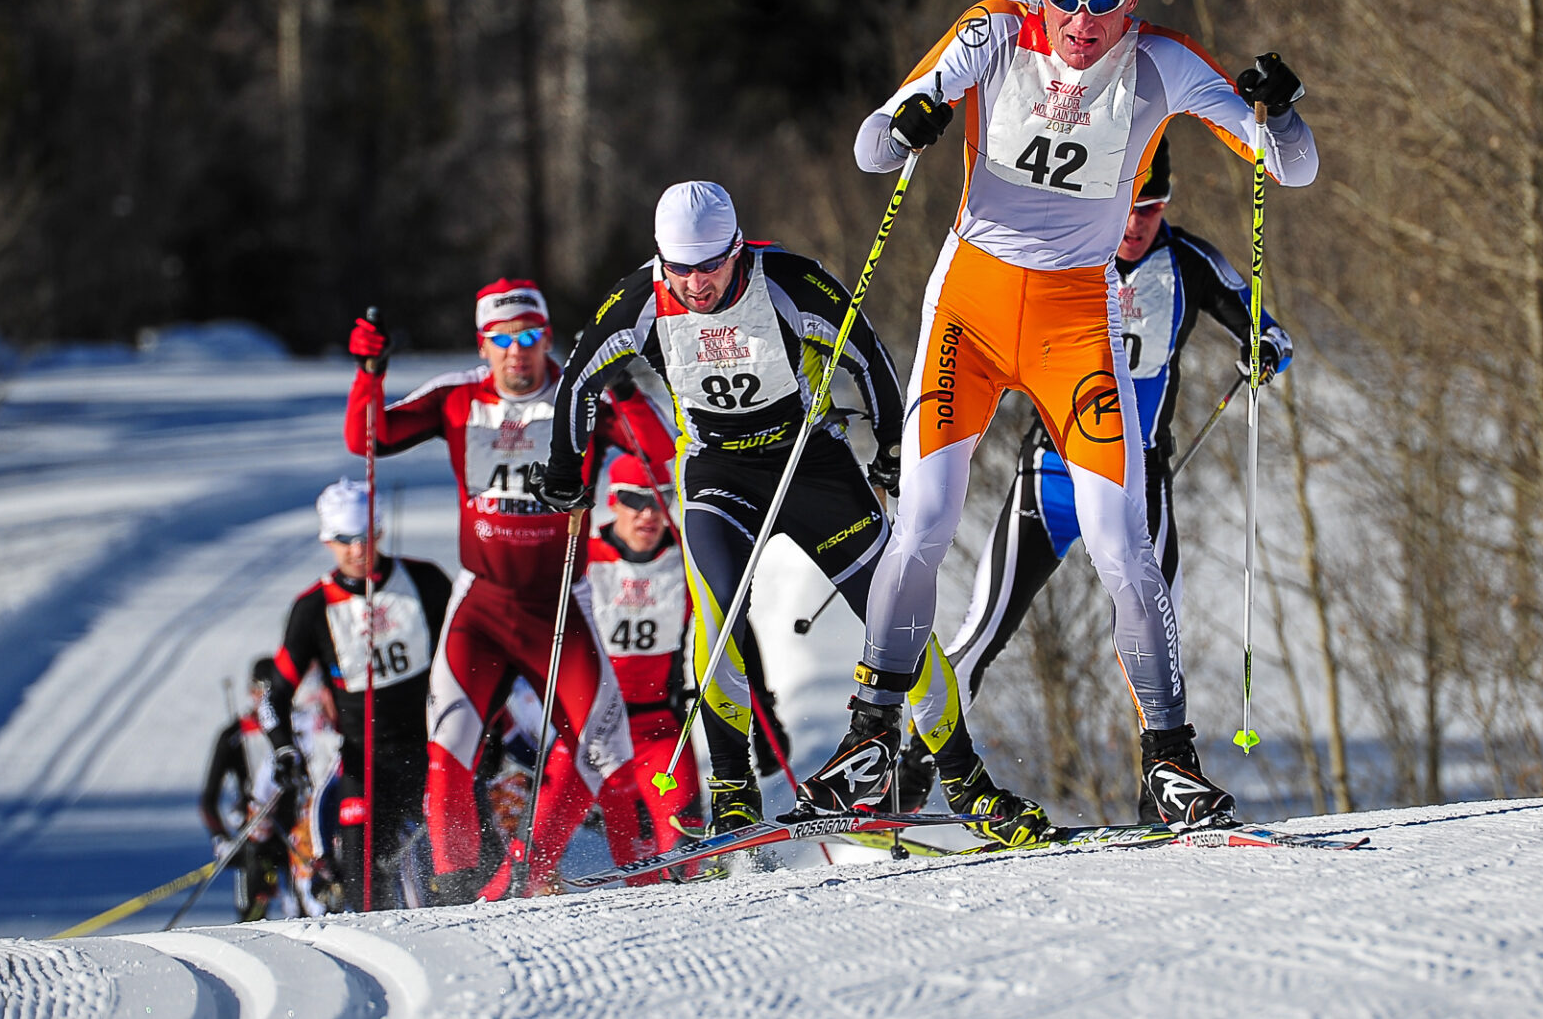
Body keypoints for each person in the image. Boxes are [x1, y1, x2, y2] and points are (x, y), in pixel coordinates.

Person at [822, 0, 1319, 830]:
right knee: (924, 523)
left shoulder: (1163, 61)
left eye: (1105, 6)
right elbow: (869, 147)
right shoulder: (993, 32)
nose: (1082, 27)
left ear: (1135, 2)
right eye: (1064, 2)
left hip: (1073, 322)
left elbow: (1290, 169)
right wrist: (911, 122)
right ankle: (870, 738)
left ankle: (1169, 761)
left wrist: (1280, 113)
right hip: (968, 309)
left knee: (1123, 543)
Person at [533, 181, 1035, 845]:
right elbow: (578, 380)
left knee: (897, 612)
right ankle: (734, 793)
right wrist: (567, 476)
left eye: (710, 265)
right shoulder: (637, 302)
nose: (697, 284)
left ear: (737, 250)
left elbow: (870, 358)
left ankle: (968, 782)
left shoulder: (788, 283)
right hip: (718, 474)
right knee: (718, 616)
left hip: (808, 462)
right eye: (680, 268)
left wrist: (892, 448)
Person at [937, 143, 1293, 820]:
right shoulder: (1063, 253)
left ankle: (1160, 793)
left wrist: (1264, 347)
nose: (1136, 223)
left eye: (1152, 209)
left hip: (1138, 481)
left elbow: (1263, 323)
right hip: (1052, 474)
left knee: (1154, 640)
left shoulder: (1188, 262)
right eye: (1129, 207)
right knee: (981, 633)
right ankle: (910, 768)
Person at [345, 278, 678, 900]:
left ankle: (640, 878)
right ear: (483, 345)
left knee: (608, 747)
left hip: (560, 606)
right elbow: (370, 438)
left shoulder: (577, 394)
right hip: (483, 606)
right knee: (448, 750)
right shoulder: (457, 398)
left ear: (546, 337)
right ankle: (458, 890)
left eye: (528, 337)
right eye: (502, 340)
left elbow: (658, 455)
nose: (516, 352)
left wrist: (624, 388)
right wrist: (369, 372)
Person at [262, 479, 453, 910]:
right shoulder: (313, 609)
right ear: (328, 541)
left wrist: (490, 727)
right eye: (344, 541)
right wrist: (283, 749)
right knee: (362, 878)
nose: (357, 550)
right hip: (365, 761)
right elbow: (274, 695)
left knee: (462, 858)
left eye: (366, 537)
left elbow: (474, 659)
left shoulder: (424, 581)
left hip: (434, 749)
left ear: (381, 532)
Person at [533, 453, 699, 881]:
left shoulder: (688, 556)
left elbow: (733, 630)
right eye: (634, 499)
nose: (648, 513)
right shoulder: (582, 555)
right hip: (588, 735)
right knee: (533, 857)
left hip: (657, 731)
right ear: (612, 501)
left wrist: (764, 710)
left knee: (680, 857)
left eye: (660, 499)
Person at [199, 658, 300, 921]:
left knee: (307, 912)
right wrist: (220, 839)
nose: (263, 701)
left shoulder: (295, 730)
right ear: (250, 691)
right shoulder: (233, 736)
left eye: (271, 694)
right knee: (251, 919)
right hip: (253, 837)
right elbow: (208, 800)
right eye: (259, 692)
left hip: (293, 835)